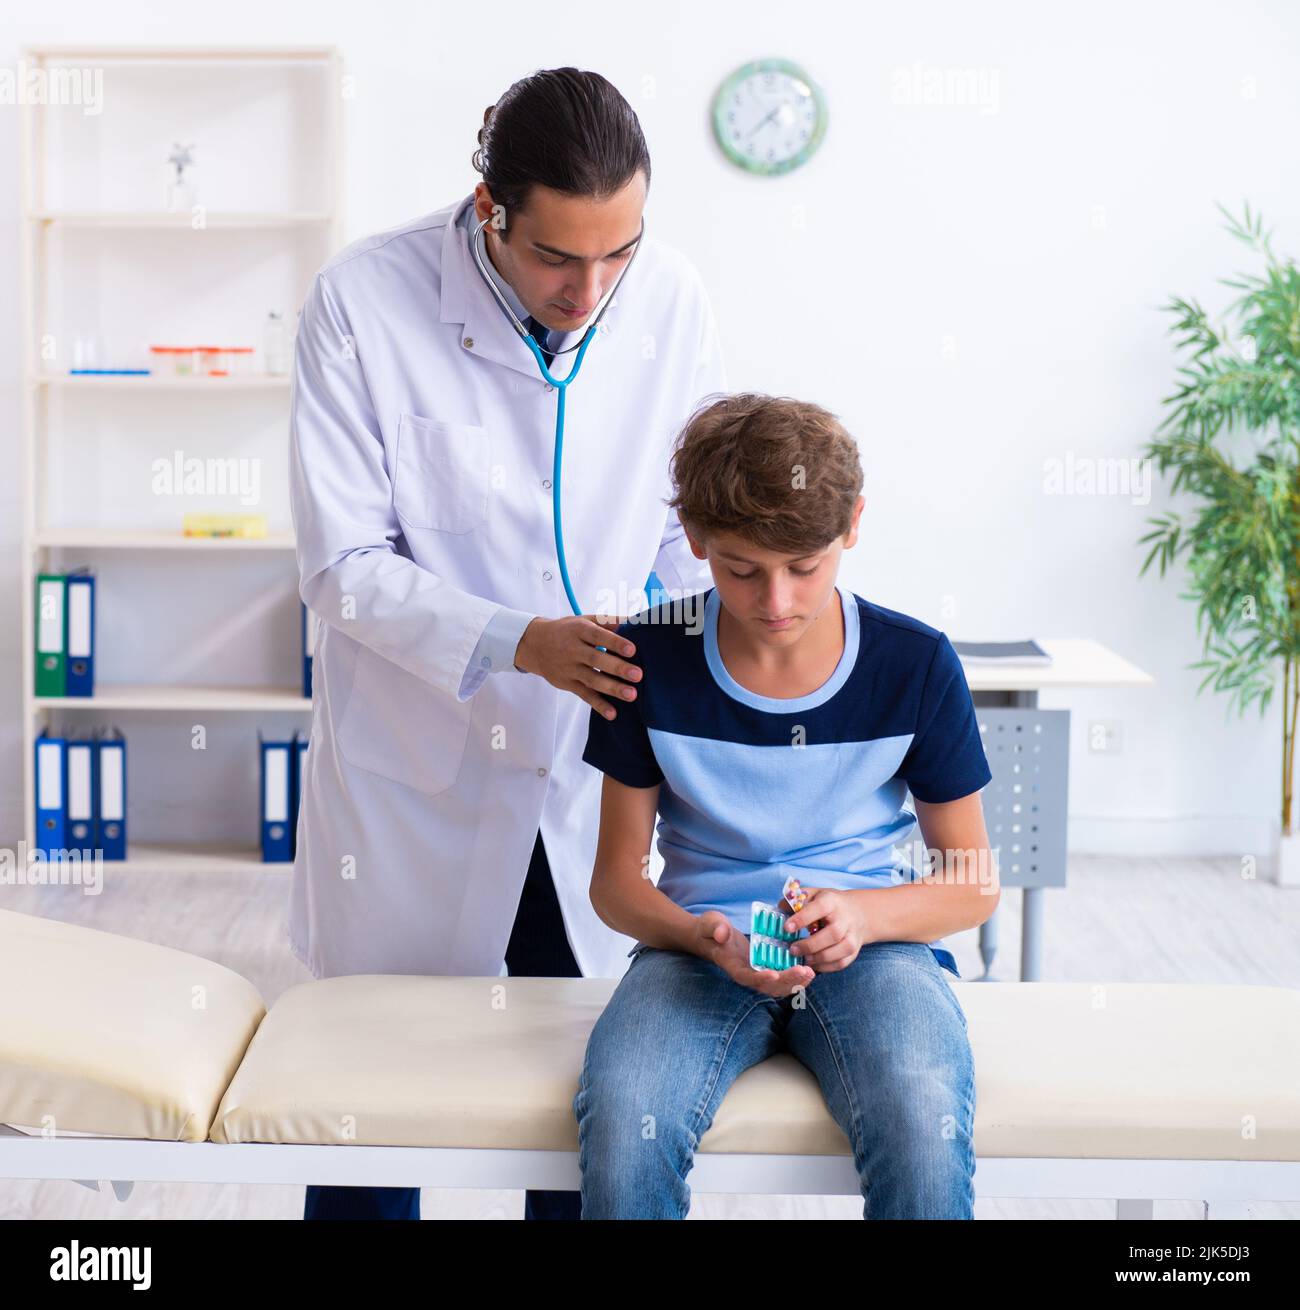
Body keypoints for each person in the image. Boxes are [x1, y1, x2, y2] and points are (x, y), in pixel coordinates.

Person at [287, 67, 724, 1220]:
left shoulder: (668, 298)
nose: (591, 291)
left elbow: (686, 527)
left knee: (573, 1110)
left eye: (616, 252)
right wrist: (518, 639)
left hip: (593, 776)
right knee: (374, 1117)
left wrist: (698, 655)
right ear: (490, 208)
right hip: (416, 778)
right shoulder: (362, 303)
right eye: (556, 258)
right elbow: (341, 565)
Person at [574, 393, 1000, 1219]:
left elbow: (974, 880)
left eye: (803, 566)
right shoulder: (645, 659)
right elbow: (614, 882)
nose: (775, 601)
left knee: (921, 1120)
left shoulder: (913, 664)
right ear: (695, 540)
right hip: (698, 950)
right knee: (627, 1121)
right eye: (740, 569)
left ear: (852, 527)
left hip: (876, 952)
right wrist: (697, 932)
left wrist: (865, 917)